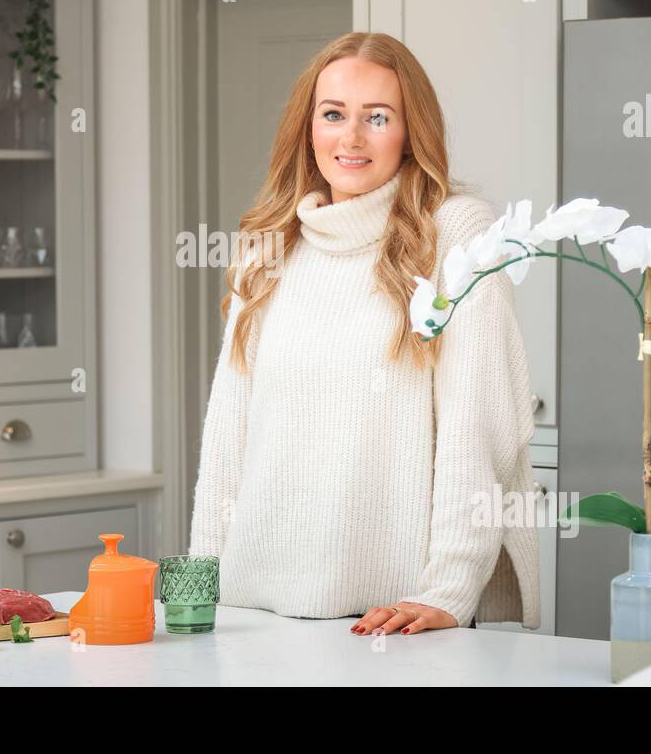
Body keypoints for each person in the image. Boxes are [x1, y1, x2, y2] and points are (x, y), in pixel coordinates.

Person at [187, 31, 540, 635]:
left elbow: (475, 427)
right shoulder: (270, 242)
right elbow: (229, 432)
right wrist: (199, 589)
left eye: (377, 117)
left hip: (392, 619)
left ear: (411, 132)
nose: (350, 138)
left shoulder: (456, 234)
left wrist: (448, 594)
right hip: (256, 611)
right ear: (308, 128)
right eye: (333, 115)